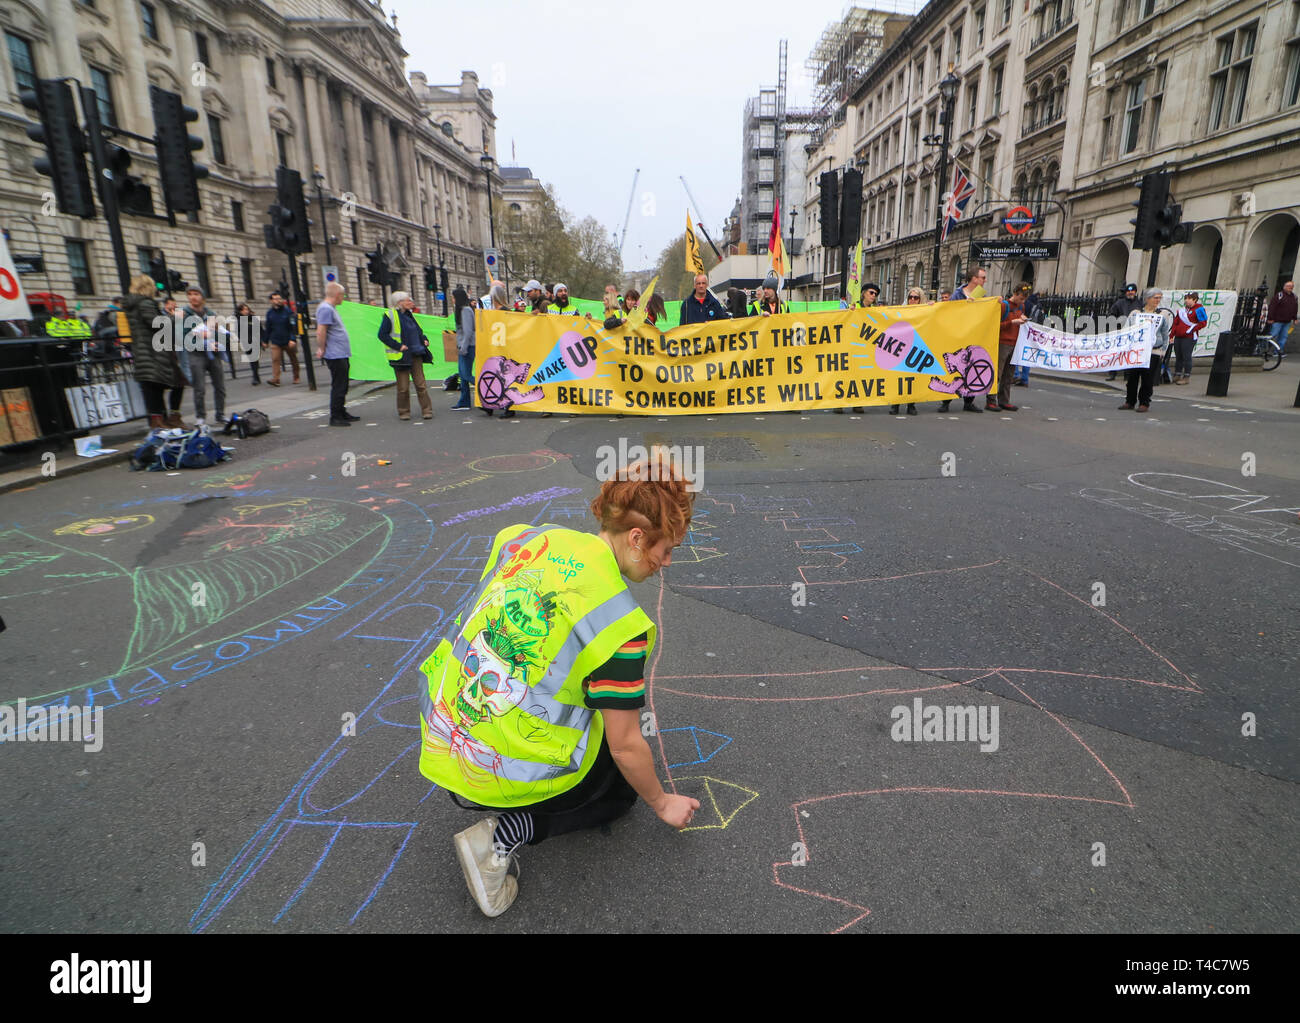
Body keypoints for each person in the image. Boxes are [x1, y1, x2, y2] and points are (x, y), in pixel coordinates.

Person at [419, 456, 701, 917]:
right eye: (665, 549)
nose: (665, 563)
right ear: (636, 538)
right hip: (497, 762)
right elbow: (627, 745)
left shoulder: (528, 538)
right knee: (620, 793)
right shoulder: (620, 627)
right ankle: (498, 842)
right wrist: (663, 801)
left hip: (448, 726)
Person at [122, 276, 182, 431]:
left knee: (155, 386)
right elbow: (157, 324)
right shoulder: (145, 303)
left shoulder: (132, 305)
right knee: (171, 383)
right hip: (153, 350)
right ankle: (162, 421)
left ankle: (160, 420)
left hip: (143, 349)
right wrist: (173, 318)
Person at [379, 290, 435, 420]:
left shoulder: (410, 315)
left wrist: (424, 339)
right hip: (401, 357)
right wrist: (398, 346)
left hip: (416, 354)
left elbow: (418, 332)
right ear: (400, 303)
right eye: (408, 300)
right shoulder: (390, 315)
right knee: (403, 387)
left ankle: (427, 410)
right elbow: (382, 335)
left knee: (421, 385)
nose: (411, 302)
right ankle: (404, 412)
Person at [1118, 287, 1170, 413]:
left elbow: (1165, 335)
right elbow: (1126, 330)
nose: (1158, 300)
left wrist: (1163, 350)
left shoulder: (1162, 315)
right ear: (1147, 299)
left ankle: (1144, 402)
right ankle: (1130, 401)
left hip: (1153, 351)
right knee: (1132, 377)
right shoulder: (1135, 313)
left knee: (1148, 378)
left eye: (1159, 298)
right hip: (1136, 350)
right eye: (1155, 298)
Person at [183, 287, 227, 424]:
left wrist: (216, 341)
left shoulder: (210, 313)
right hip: (196, 354)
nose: (192, 297)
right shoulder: (184, 314)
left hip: (213, 353)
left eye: (196, 294)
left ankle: (220, 414)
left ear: (202, 297)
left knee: (219, 386)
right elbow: (185, 337)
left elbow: (218, 332)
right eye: (190, 295)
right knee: (199, 388)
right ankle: (200, 417)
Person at [315, 281, 356, 426]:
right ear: (337, 295)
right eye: (343, 295)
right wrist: (321, 348)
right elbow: (321, 330)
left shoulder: (330, 308)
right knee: (339, 384)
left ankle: (342, 412)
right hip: (335, 353)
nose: (343, 298)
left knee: (343, 384)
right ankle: (336, 416)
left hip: (340, 352)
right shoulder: (326, 309)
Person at [989, 284, 1028, 412]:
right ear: (1015, 294)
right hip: (1002, 343)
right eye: (1021, 298)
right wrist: (1012, 322)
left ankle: (1004, 401)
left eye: (1024, 300)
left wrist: (1023, 319)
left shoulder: (1021, 307)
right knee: (998, 374)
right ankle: (991, 401)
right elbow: (995, 325)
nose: (1022, 302)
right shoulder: (1004, 306)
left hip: (1014, 344)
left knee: (1009, 375)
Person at [161, 297, 189, 426]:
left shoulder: (175, 315)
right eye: (173, 305)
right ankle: (165, 417)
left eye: (176, 305)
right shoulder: (162, 315)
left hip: (174, 351)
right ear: (167, 305)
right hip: (163, 354)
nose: (175, 307)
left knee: (179, 383)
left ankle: (173, 415)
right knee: (166, 385)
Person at [1105, 283, 1142, 379]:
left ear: (1135, 292)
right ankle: (1112, 374)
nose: (1130, 293)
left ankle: (1127, 375)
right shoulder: (1119, 303)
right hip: (1120, 331)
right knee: (1116, 353)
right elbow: (1111, 315)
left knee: (1129, 354)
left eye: (1132, 291)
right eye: (1128, 291)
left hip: (1133, 333)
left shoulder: (1139, 303)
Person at [1170, 291, 1208, 385]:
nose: (1186, 300)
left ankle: (1186, 376)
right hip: (1179, 336)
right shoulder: (1182, 310)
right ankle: (1177, 374)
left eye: (1189, 298)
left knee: (1186, 356)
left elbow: (1203, 323)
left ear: (1194, 300)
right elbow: (1176, 323)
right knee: (1178, 356)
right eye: (1185, 298)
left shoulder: (1199, 309)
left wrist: (1190, 329)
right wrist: (1172, 335)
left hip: (1189, 337)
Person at [264, 291, 299, 386]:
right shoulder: (269, 313)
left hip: (288, 340)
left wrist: (292, 339)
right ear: (271, 301)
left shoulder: (288, 311)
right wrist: (265, 341)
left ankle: (296, 376)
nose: (278, 301)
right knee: (275, 359)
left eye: (279, 299)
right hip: (276, 340)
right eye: (275, 299)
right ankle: (276, 379)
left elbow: (293, 325)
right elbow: (268, 328)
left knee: (293, 359)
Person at [1266, 280, 1296, 356]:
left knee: (1283, 337)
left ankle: (1278, 352)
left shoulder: (1294, 297)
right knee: (1272, 335)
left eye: (1291, 286)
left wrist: (1294, 318)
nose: (1290, 287)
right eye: (1288, 286)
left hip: (1287, 321)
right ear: (1284, 287)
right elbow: (1272, 307)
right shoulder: (1279, 295)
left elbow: (1295, 308)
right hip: (1277, 320)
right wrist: (1270, 318)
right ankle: (1265, 350)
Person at [235, 302, 262, 385]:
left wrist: (263, 340)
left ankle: (255, 376)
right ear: (240, 311)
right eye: (243, 310)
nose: (246, 311)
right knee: (252, 359)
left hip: (256, 341)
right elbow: (237, 331)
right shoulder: (238, 320)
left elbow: (260, 330)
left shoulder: (253, 319)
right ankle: (255, 376)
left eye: (247, 309)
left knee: (255, 359)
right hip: (246, 343)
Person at [91, 297, 125, 362]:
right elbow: (118, 326)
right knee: (109, 354)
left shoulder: (108, 312)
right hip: (108, 337)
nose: (122, 305)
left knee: (109, 355)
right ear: (116, 303)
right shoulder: (114, 312)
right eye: (121, 303)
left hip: (107, 339)